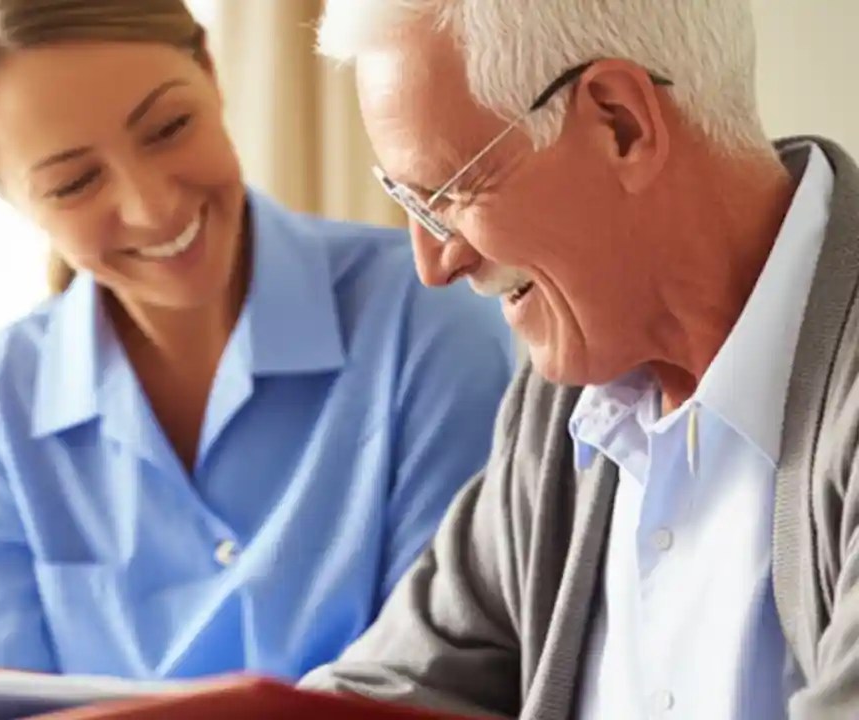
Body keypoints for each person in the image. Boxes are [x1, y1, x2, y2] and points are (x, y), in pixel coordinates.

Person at [0, 0, 513, 700]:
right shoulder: (7, 390)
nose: (152, 208)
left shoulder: (428, 318)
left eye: (168, 128)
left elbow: (443, 690)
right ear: (14, 198)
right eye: (75, 183)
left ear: (211, 71)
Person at [287, 1, 859, 719]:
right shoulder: (562, 410)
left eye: (449, 195)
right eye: (408, 199)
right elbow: (393, 688)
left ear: (620, 123)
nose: (433, 263)